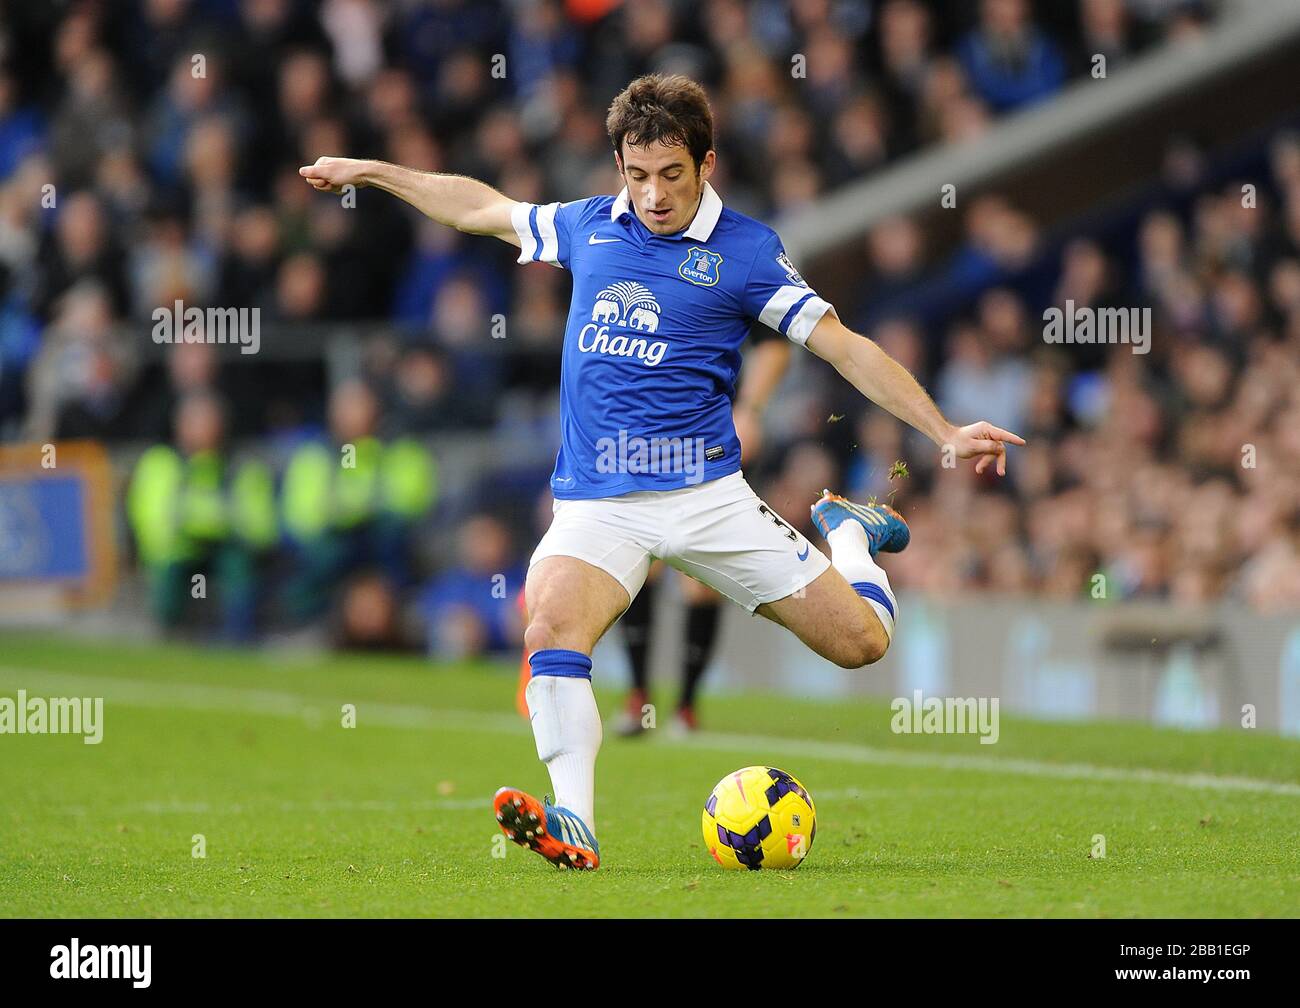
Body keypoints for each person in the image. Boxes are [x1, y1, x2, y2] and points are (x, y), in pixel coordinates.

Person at [300, 73, 1023, 871]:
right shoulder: (587, 226)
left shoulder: (748, 252)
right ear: (618, 165)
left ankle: (849, 536)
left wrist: (944, 428)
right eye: (636, 174)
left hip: (706, 497)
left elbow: (843, 344)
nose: (652, 195)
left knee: (862, 644)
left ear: (706, 163)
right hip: (598, 503)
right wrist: (370, 170)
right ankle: (574, 821)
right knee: (548, 628)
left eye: (671, 175)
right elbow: (478, 207)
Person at [126, 390, 276, 640]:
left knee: (238, 568)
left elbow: (261, 528)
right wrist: (198, 530)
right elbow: (152, 524)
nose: (205, 430)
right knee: (168, 573)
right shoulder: (161, 463)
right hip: (179, 552)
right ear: (180, 425)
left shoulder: (242, 467)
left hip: (226, 550)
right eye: (196, 422)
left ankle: (237, 639)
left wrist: (222, 531)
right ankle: (171, 637)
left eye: (211, 422)